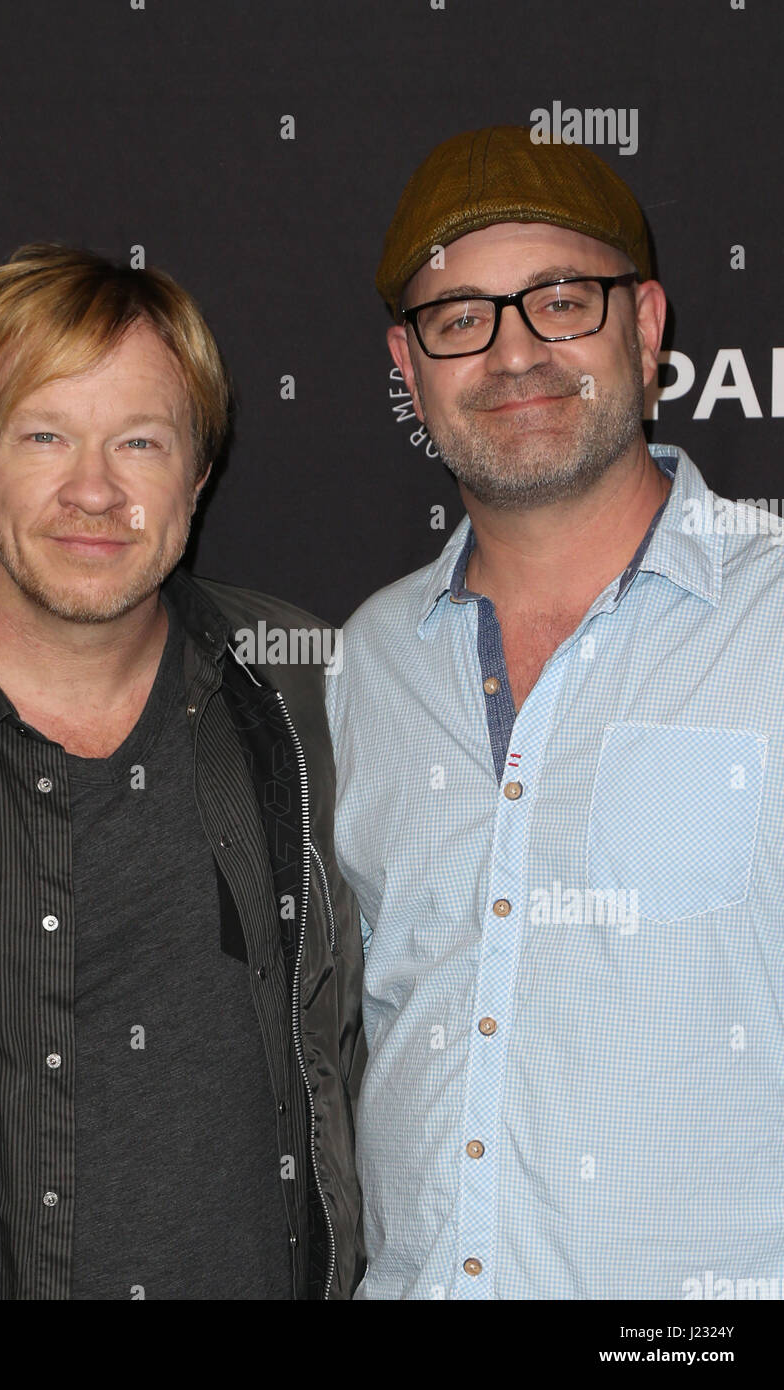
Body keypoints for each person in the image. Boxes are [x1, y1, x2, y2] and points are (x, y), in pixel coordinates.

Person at [0, 242, 364, 1300]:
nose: (92, 490)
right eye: (45, 435)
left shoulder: (310, 694)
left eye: (139, 441)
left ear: (198, 472)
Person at [326, 124, 784, 1299]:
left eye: (561, 299)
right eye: (460, 317)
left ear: (645, 324)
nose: (514, 351)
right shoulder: (365, 663)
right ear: (409, 361)